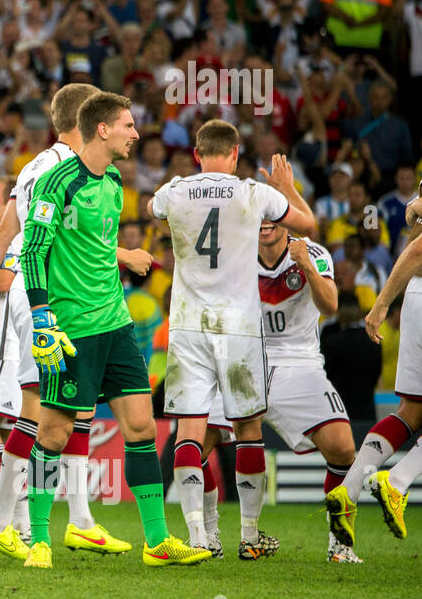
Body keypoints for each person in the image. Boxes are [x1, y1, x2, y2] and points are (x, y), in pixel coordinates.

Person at [19, 92, 213, 569]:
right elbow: (31, 252)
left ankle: (157, 541)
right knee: (55, 432)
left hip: (116, 324)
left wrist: (122, 259)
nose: (135, 133)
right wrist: (42, 317)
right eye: (127, 125)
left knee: (142, 426)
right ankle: (39, 539)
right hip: (71, 329)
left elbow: (98, 248)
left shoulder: (110, 181)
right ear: (102, 129)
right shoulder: (55, 183)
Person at [0, 84, 146, 559]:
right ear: (90, 121)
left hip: (44, 299)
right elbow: (39, 242)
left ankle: (78, 519)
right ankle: (4, 520)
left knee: (72, 409)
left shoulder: (32, 168)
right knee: (41, 413)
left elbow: (7, 230)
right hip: (47, 297)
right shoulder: (62, 171)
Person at [149, 120, 315, 559]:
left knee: (189, 429)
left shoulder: (175, 190)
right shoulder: (253, 193)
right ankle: (248, 536)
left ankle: (199, 539)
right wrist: (287, 188)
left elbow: (155, 208)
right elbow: (308, 224)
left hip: (187, 324)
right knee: (247, 428)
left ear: (198, 152)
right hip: (238, 324)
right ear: (236, 153)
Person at [198, 221, 361, 562]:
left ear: (287, 220)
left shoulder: (313, 253)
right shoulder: (232, 254)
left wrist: (306, 267)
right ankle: (211, 536)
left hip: (297, 363)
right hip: (242, 359)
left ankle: (340, 544)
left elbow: (331, 307)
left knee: (344, 449)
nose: (265, 223)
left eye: (274, 215)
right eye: (259, 215)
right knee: (192, 444)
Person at [330, 195, 422, 548]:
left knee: (412, 412)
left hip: (415, 296)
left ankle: (346, 492)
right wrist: (381, 304)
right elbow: (416, 251)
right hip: (413, 288)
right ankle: (396, 482)